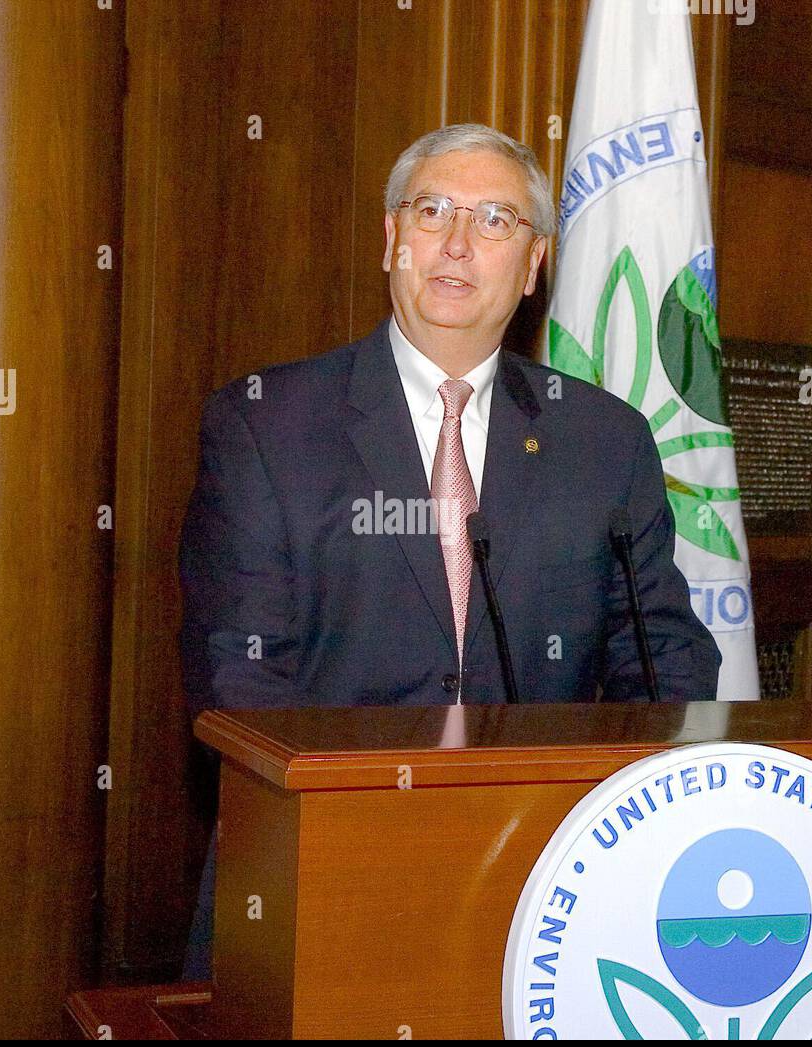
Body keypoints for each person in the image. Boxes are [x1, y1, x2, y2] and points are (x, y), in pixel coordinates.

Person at [177, 124, 720, 977]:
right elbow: (237, 682)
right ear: (392, 238)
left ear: (535, 263)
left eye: (497, 220)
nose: (459, 244)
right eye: (432, 211)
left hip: (548, 893)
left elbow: (665, 665)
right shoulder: (265, 423)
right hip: (317, 877)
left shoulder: (604, 441)